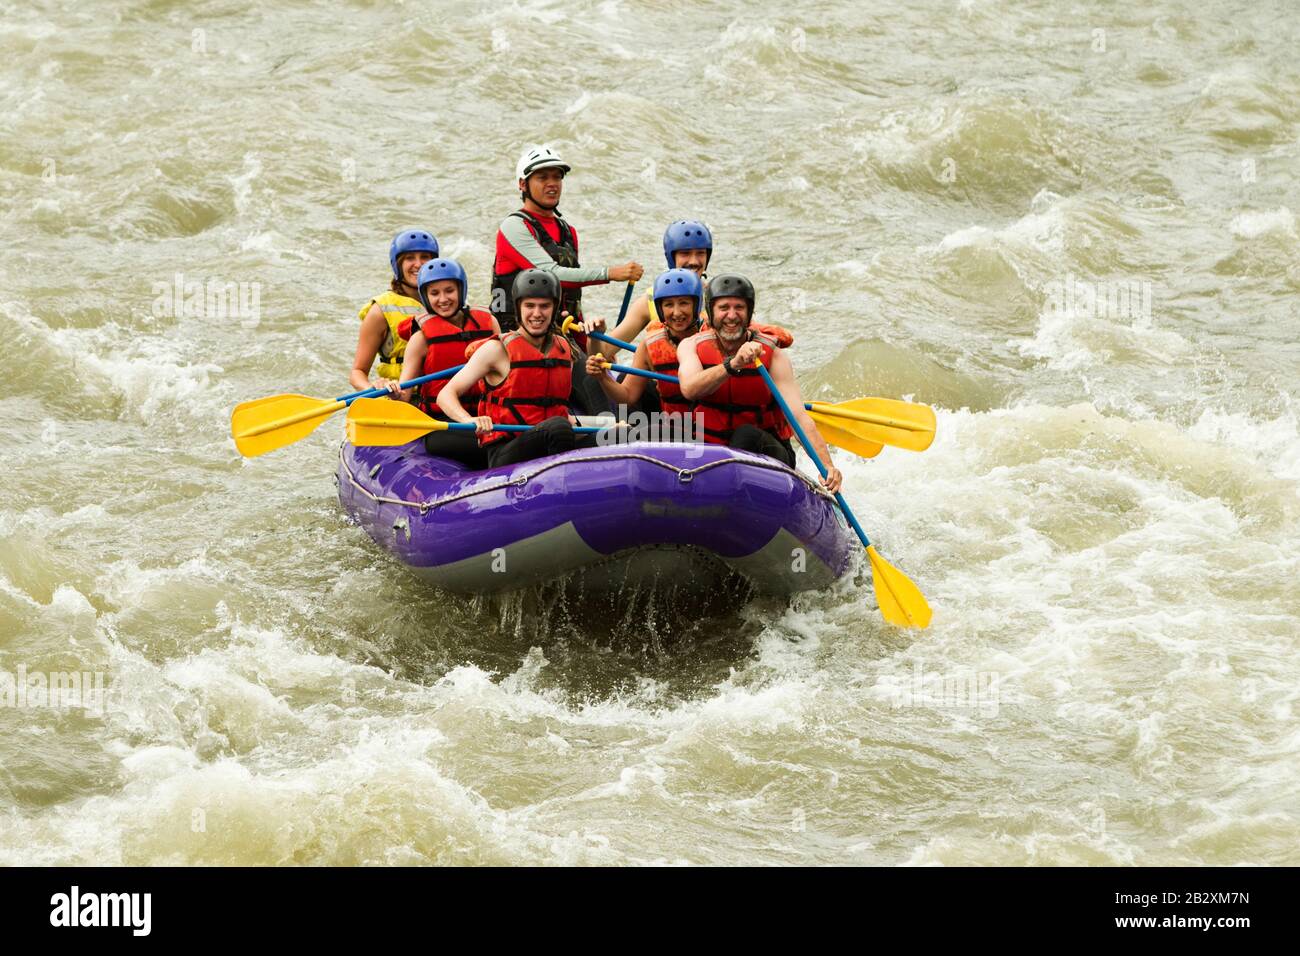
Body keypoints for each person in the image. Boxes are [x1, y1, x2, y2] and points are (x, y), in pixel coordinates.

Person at [490, 144, 642, 413]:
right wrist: (611, 273)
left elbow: (571, 298)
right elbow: (554, 275)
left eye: (557, 177)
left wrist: (587, 347)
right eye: (543, 177)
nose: (552, 184)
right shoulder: (514, 226)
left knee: (603, 382)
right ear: (523, 184)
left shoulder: (567, 230)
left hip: (563, 339)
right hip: (521, 338)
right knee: (599, 401)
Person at [678, 274, 842, 493]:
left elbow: (798, 418)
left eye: (739, 308)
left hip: (768, 454)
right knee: (654, 430)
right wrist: (733, 364)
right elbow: (689, 388)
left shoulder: (773, 356)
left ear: (749, 313)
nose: (731, 315)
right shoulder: (691, 346)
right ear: (710, 312)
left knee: (744, 435)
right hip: (710, 453)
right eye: (724, 307)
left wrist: (827, 466)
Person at [439, 270, 608, 469]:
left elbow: (594, 371)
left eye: (544, 306)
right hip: (507, 451)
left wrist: (595, 338)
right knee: (558, 428)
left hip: (552, 438)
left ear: (554, 309)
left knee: (618, 434)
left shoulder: (564, 349)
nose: (537, 314)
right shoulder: (496, 350)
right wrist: (470, 420)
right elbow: (446, 395)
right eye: (529, 306)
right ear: (518, 308)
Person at [597, 219, 793, 362]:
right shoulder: (649, 301)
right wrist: (595, 337)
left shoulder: (720, 299)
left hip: (706, 382)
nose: (694, 261)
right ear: (671, 257)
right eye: (685, 254)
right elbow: (604, 350)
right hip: (664, 385)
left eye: (700, 253)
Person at [400, 258, 502, 468]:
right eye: (434, 293)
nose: (443, 299)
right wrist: (390, 390)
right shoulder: (420, 339)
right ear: (426, 297)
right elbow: (404, 395)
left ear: (461, 290)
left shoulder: (489, 322)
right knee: (494, 443)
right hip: (442, 423)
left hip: (487, 415)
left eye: (449, 291)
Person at [583, 268, 701, 430]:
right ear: (659, 309)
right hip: (675, 425)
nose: (676, 312)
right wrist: (603, 377)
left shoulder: (713, 338)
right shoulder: (649, 345)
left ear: (696, 305)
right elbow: (627, 396)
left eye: (684, 303)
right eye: (668, 304)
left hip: (709, 427)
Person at [350, 229, 439, 396]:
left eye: (425, 257)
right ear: (397, 265)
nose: (418, 264)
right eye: (410, 258)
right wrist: (375, 388)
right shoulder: (381, 310)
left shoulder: (447, 303)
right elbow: (357, 372)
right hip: (399, 398)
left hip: (440, 399)